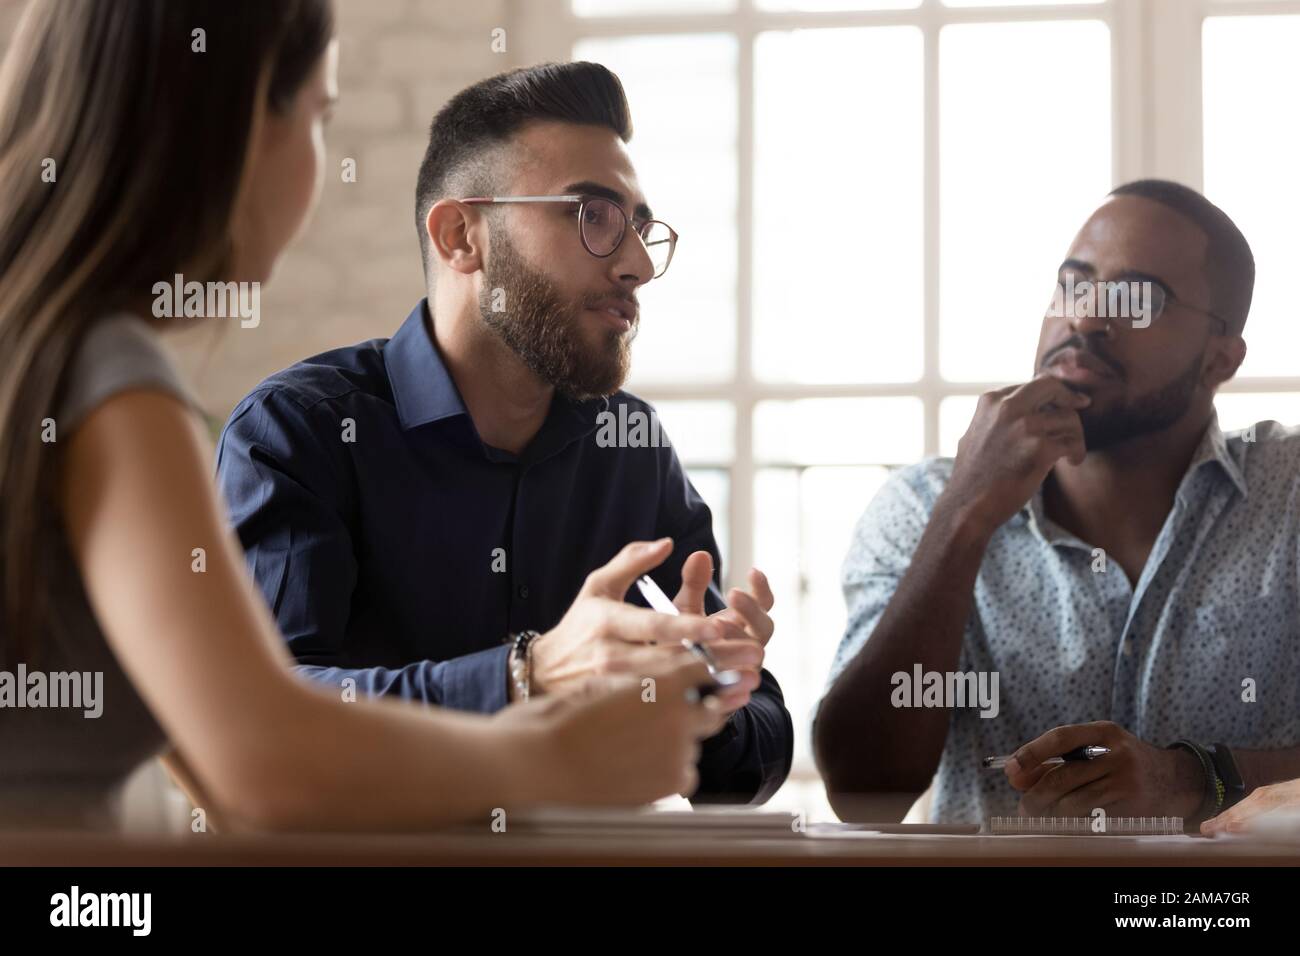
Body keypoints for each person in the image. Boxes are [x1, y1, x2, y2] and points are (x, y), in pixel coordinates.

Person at [0, 0, 719, 831]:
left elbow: (220, 745)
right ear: (231, 120)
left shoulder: (47, 356)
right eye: (320, 117)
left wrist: (707, 680)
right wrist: (559, 732)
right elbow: (265, 762)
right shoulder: (112, 378)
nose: (634, 264)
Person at [215, 62, 794, 804]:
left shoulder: (630, 446)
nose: (639, 264)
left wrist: (705, 688)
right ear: (462, 236)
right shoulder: (299, 432)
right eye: (592, 215)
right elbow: (270, 714)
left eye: (640, 226)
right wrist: (530, 674)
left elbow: (755, 759)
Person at [815, 180, 1300, 829]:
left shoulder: (1289, 495)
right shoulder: (923, 505)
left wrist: (1190, 777)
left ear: (1221, 358)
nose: (1087, 319)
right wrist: (965, 517)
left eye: (1137, 298)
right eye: (1073, 285)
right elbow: (861, 791)